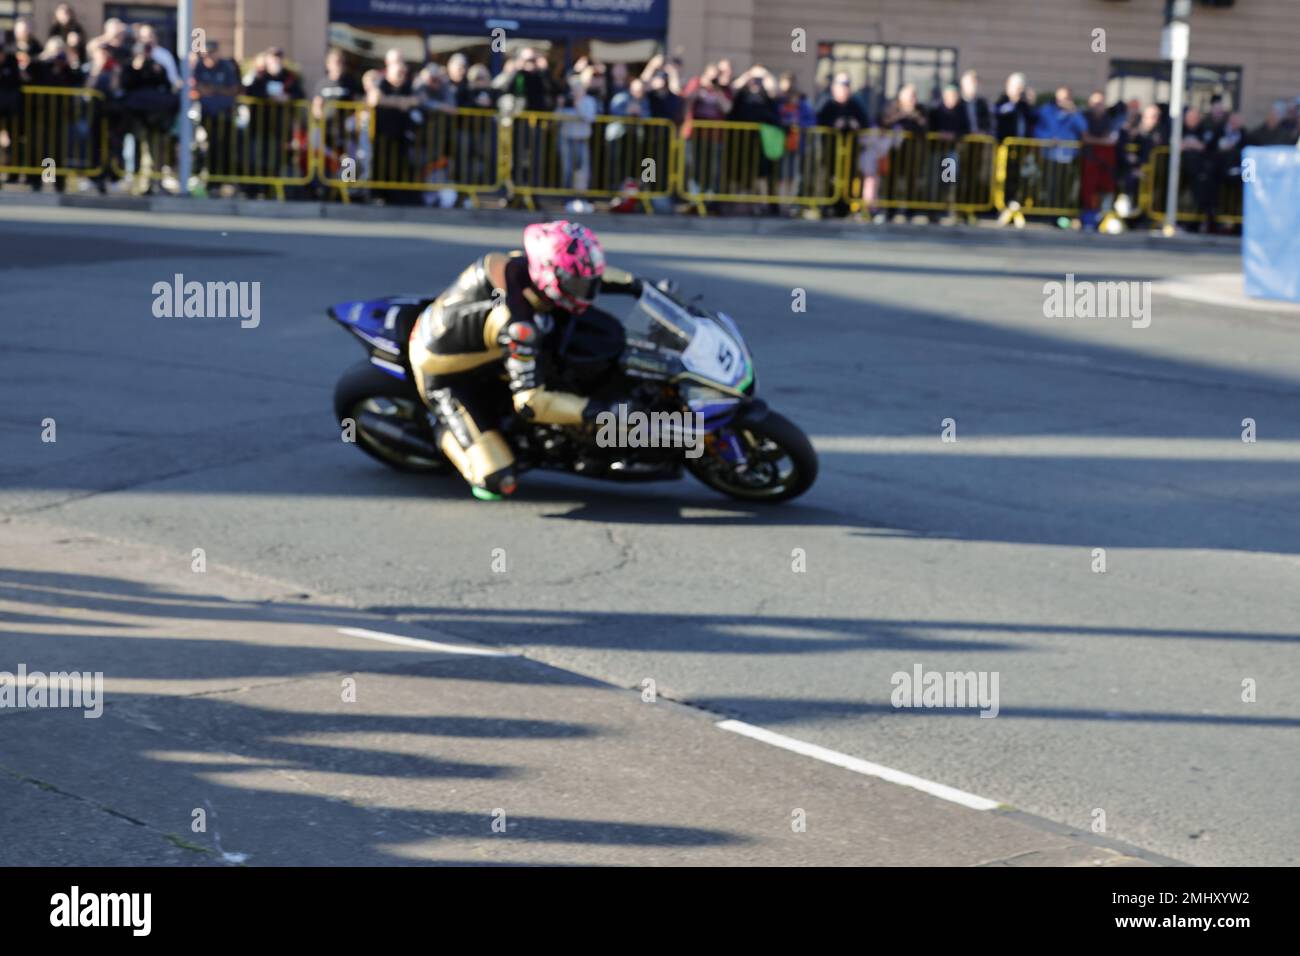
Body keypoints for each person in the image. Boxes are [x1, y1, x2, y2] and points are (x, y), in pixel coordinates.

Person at [407, 221, 646, 500]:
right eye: (581, 285)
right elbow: (530, 403)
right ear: (549, 277)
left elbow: (582, 271)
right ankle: (439, 429)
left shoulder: (527, 266)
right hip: (443, 375)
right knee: (497, 480)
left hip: (467, 333)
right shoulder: (518, 327)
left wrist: (637, 286)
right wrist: (595, 410)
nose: (588, 291)